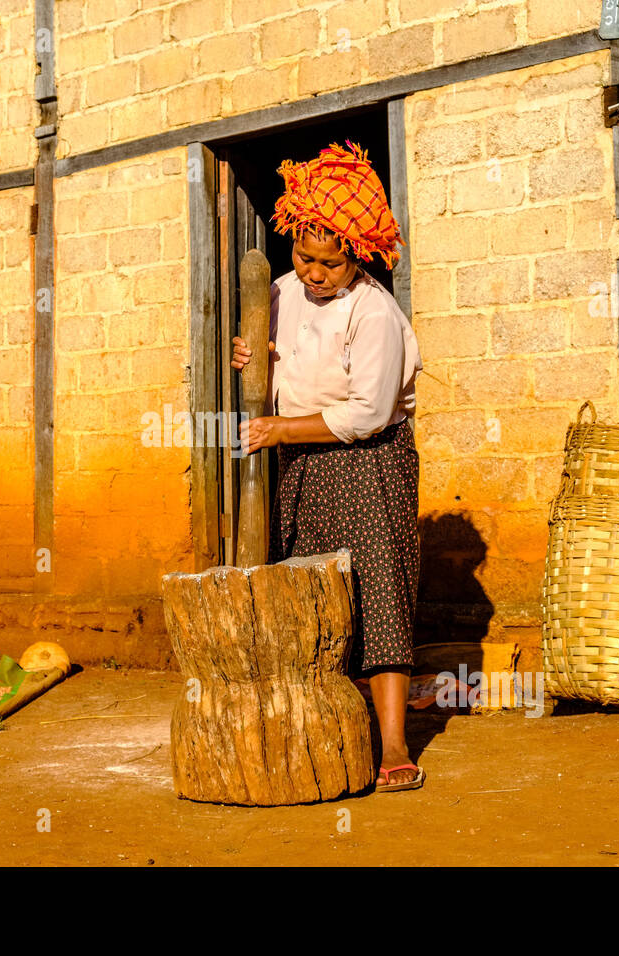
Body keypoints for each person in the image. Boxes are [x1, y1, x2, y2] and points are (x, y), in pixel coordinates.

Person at [231, 140, 426, 793]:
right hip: (298, 463)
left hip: (368, 462)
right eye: (304, 257)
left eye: (330, 262)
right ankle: (327, 728)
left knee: (378, 596)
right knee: (311, 599)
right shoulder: (280, 295)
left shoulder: (375, 312)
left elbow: (367, 413)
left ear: (357, 255)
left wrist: (279, 427)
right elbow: (279, 368)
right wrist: (250, 360)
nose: (314, 273)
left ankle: (394, 741)